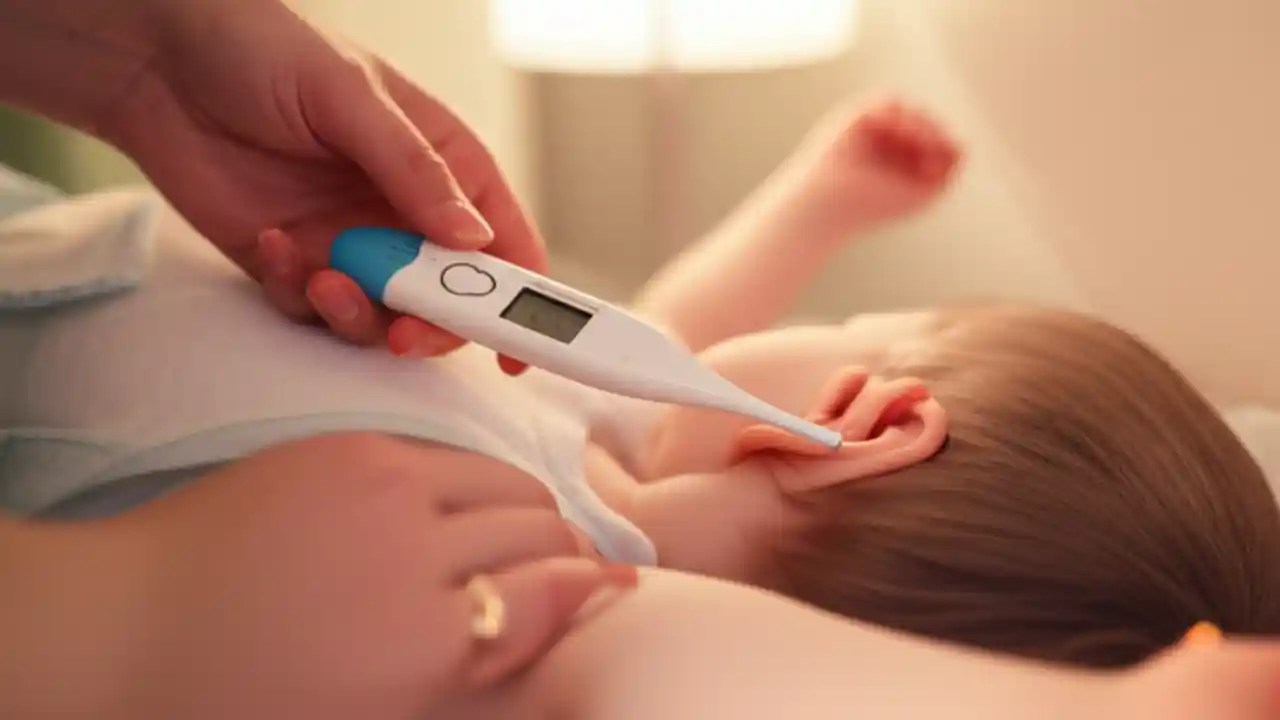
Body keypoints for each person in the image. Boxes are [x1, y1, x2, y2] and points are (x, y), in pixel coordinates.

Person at [3, 1, 1280, 719]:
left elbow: (676, 658)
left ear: (867, 422)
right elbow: (674, 338)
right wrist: (813, 208)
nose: (719, 354)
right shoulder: (605, 437)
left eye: (856, 325)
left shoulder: (572, 574)